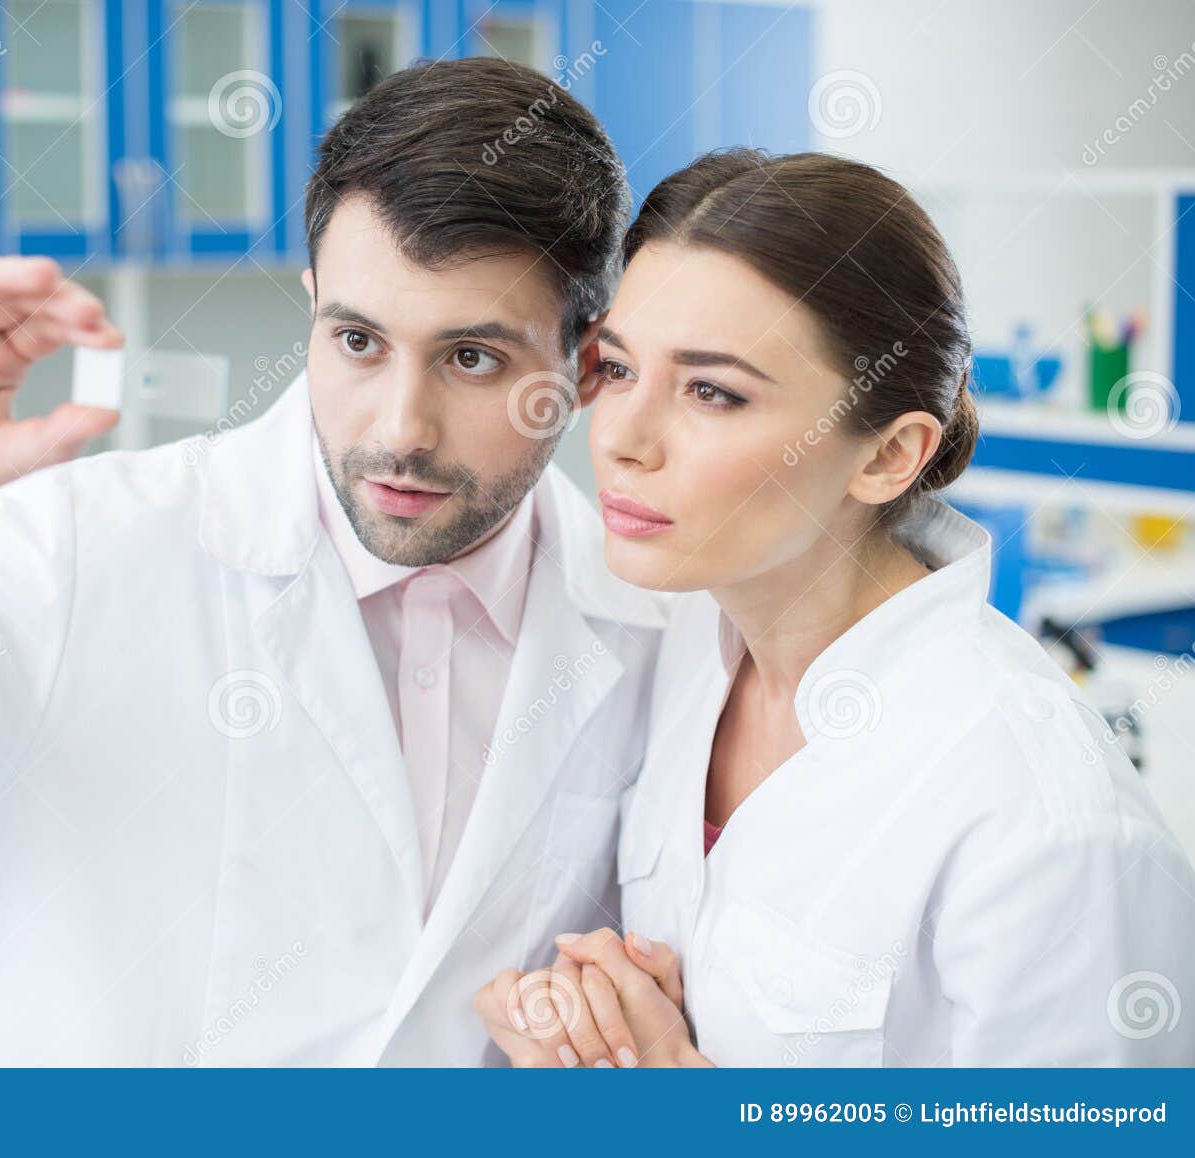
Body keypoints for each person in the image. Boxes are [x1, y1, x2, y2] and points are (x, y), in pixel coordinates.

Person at [0, 58, 669, 1065]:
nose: (400, 428)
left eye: (471, 358)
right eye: (356, 342)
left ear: (584, 369)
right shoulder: (73, 556)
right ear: (312, 309)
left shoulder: (664, 626)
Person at [475, 148, 1195, 1067]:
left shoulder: (1046, 825)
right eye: (615, 369)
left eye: (712, 392)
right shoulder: (681, 645)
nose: (619, 437)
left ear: (890, 454)